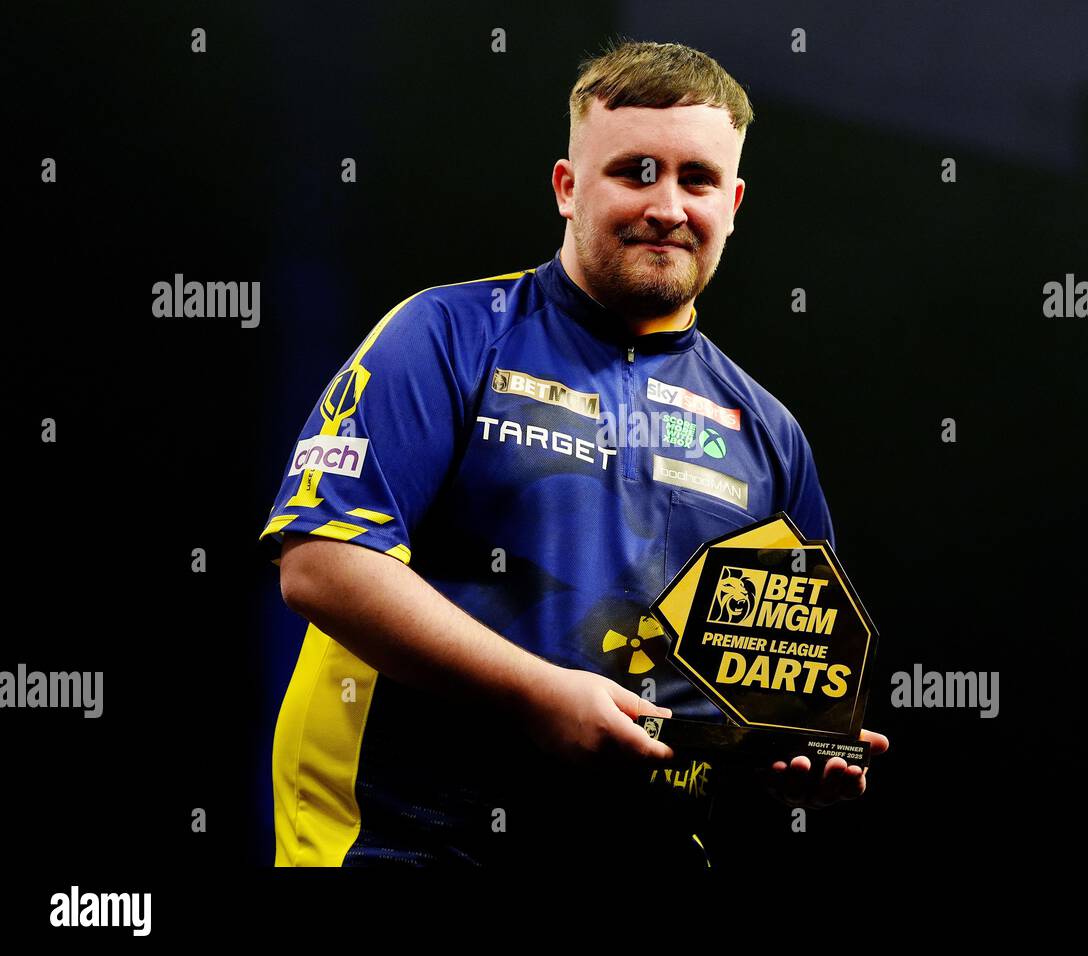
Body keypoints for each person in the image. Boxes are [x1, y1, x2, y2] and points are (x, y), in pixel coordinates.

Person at [259, 38, 888, 869]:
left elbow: (786, 677)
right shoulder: (444, 336)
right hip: (402, 839)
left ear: (732, 202)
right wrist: (536, 694)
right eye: (636, 171)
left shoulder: (768, 432)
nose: (668, 205)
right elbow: (321, 564)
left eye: (696, 180)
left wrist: (800, 751)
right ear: (566, 187)